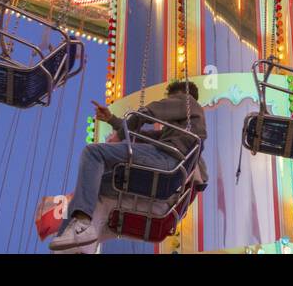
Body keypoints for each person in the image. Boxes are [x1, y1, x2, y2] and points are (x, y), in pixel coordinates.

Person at [49, 80, 207, 254]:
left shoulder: (187, 102)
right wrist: (112, 120)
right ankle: (70, 244)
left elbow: (150, 112)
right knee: (96, 187)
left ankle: (83, 223)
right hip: (168, 178)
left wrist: (122, 132)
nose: (170, 103)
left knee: (94, 153)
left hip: (167, 162)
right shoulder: (178, 133)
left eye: (171, 99)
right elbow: (141, 137)